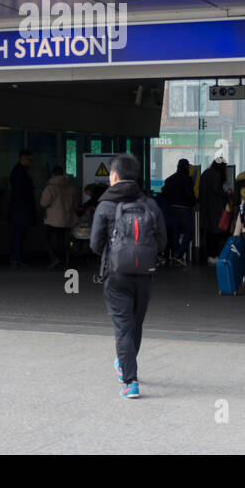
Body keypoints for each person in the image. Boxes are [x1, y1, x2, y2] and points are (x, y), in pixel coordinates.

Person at [90, 154, 167, 399]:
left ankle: (130, 381)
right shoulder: (149, 204)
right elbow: (163, 241)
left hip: (116, 275)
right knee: (135, 324)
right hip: (144, 274)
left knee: (123, 328)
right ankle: (126, 364)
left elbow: (94, 244)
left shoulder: (105, 205)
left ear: (113, 176)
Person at [160, 158, 197, 265]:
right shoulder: (187, 179)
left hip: (171, 209)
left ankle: (176, 254)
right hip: (184, 209)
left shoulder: (169, 180)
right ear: (186, 167)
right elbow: (189, 194)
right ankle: (178, 254)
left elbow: (164, 195)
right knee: (190, 232)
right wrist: (195, 202)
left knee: (174, 232)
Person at [39, 165, 77, 269]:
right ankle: (63, 261)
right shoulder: (70, 188)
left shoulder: (50, 188)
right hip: (67, 219)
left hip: (52, 219)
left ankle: (54, 258)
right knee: (61, 239)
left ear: (53, 174)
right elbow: (75, 204)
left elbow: (43, 203)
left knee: (46, 237)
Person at [8, 149, 36, 268]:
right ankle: (16, 258)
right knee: (19, 234)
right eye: (29, 159)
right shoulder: (20, 173)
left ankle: (16, 258)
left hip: (18, 209)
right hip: (21, 210)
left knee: (18, 234)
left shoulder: (18, 171)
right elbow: (23, 192)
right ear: (23, 158)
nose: (30, 162)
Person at [199, 157, 230, 263]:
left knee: (209, 232)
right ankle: (214, 255)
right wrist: (226, 194)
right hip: (215, 207)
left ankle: (209, 255)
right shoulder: (217, 174)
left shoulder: (205, 173)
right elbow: (216, 189)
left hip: (205, 207)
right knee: (216, 232)